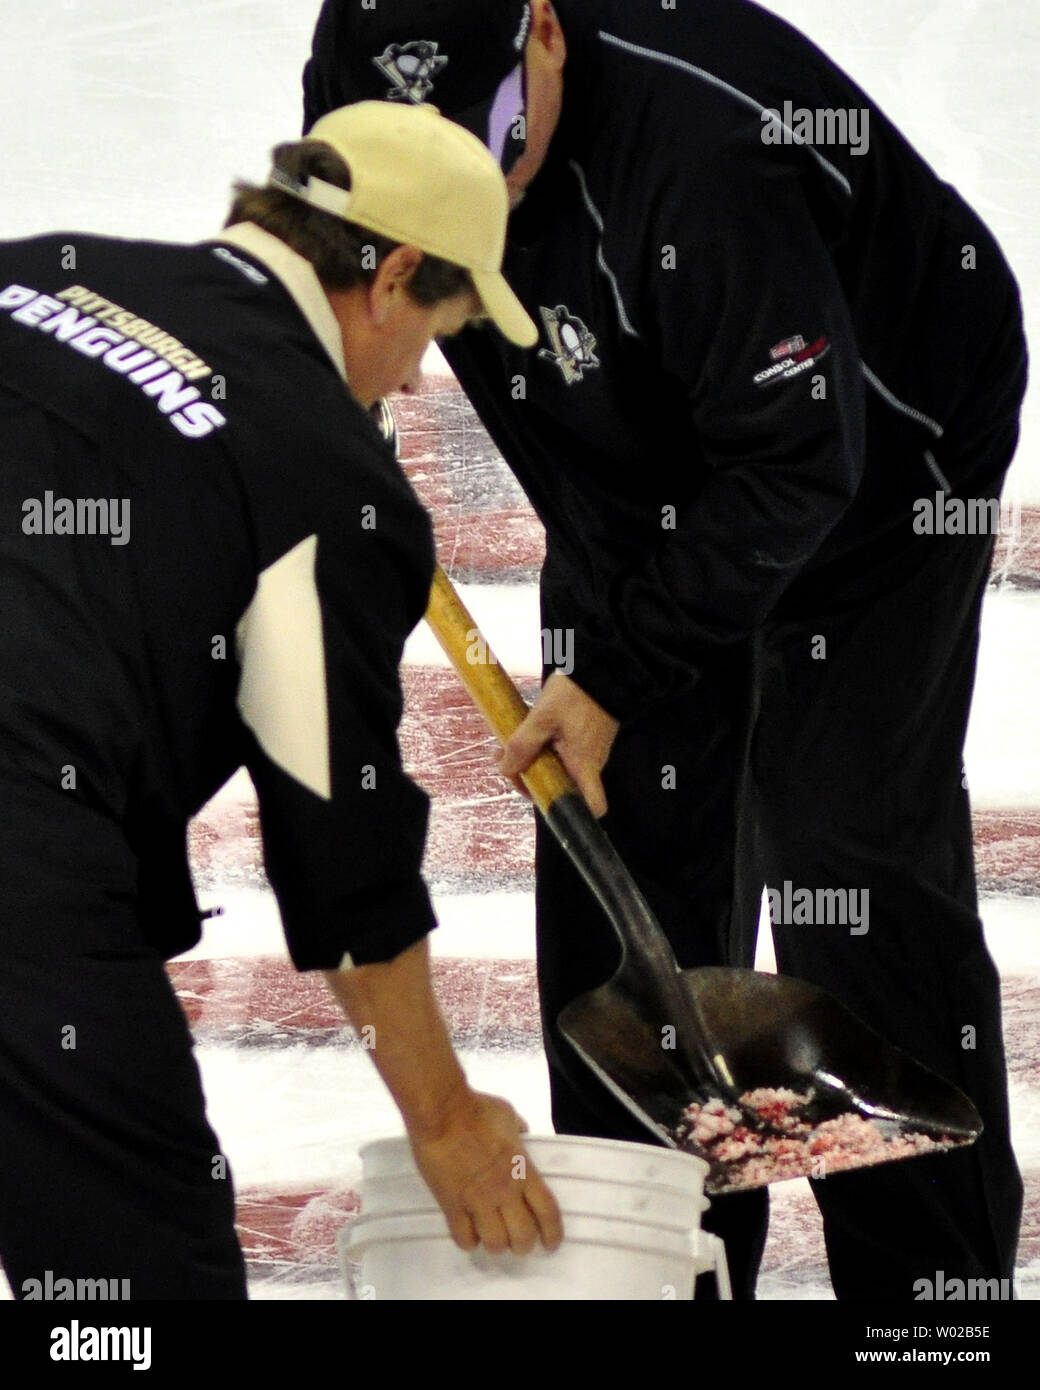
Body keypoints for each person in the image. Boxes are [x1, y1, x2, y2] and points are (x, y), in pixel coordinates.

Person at [302, 0, 1028, 1299]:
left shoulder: (705, 158)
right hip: (629, 471)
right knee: (610, 848)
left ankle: (934, 1300)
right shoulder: (371, 105)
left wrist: (622, 672)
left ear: (546, 34)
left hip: (865, 468)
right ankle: (649, 1272)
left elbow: (798, 463)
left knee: (846, 846)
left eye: (491, 149)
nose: (475, 198)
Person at [0, 98, 562, 1301]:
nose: (414, 385)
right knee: (134, 1282)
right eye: (434, 335)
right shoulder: (322, 474)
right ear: (395, 270)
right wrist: (446, 1112)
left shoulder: (38, 273)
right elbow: (339, 839)